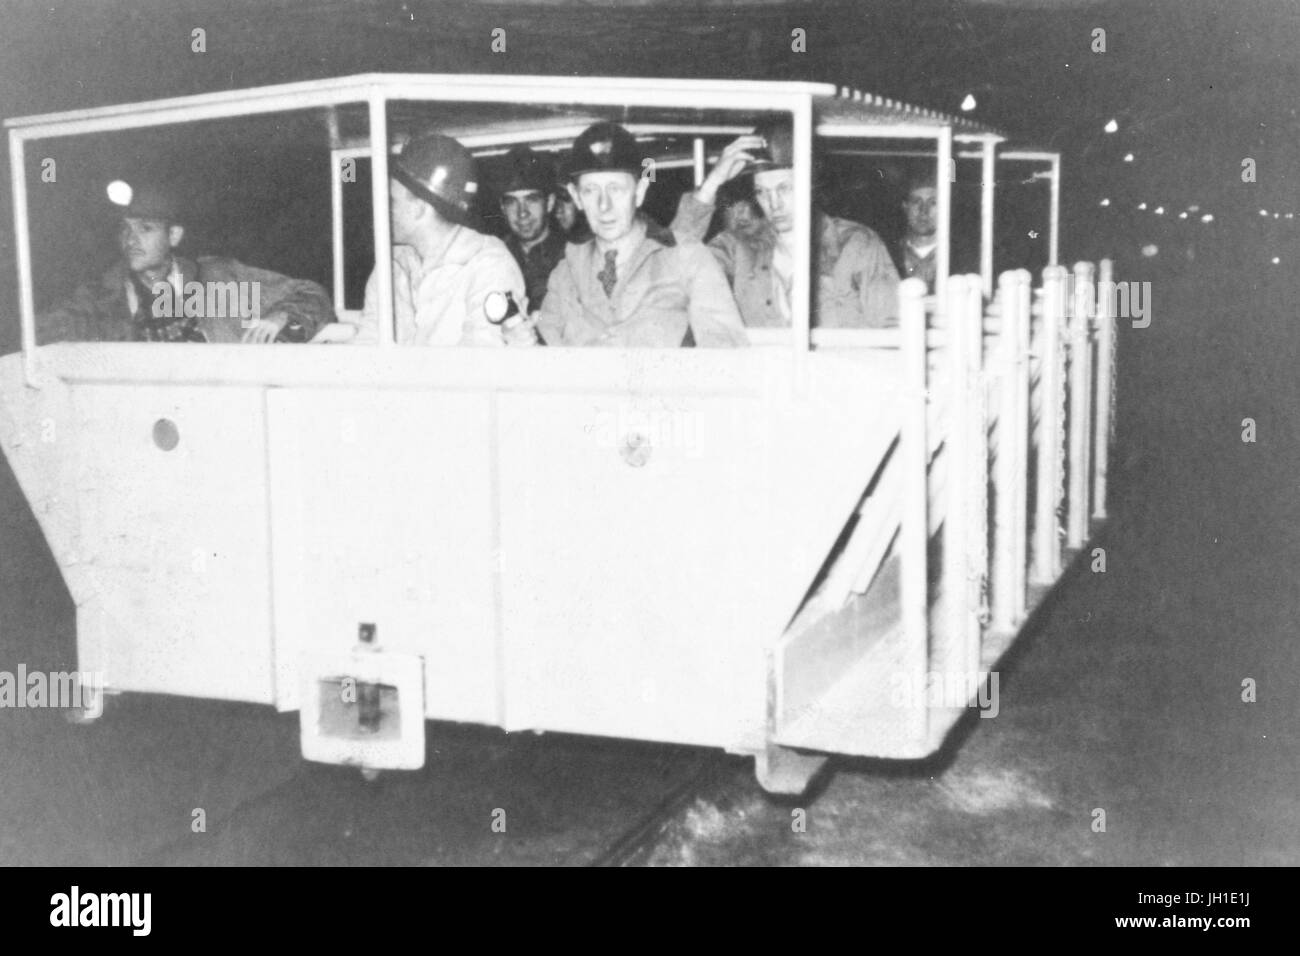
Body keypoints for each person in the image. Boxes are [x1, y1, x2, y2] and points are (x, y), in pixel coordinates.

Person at [37, 183, 334, 345]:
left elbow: (311, 294)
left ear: (174, 236)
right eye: (125, 229)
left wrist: (281, 316)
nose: (130, 239)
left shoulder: (217, 280)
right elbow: (42, 328)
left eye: (146, 228)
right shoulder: (103, 295)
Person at [536, 121, 747, 348]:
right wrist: (522, 343)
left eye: (615, 189)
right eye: (590, 190)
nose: (604, 205)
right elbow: (542, 365)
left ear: (640, 191)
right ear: (575, 196)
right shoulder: (564, 275)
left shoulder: (689, 260)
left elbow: (725, 357)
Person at [671, 121, 900, 328]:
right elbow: (668, 269)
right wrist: (713, 183)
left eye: (784, 189)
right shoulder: (736, 248)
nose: (773, 204)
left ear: (811, 185)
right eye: (761, 192)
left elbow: (892, 331)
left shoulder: (856, 244)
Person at [347, 132, 529, 346]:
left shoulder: (487, 264)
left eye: (391, 202)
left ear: (418, 208)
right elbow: (370, 339)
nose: (382, 211)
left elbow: (480, 364)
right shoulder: (391, 265)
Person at [496, 146, 567, 312]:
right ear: (502, 208)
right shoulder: (494, 255)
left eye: (532, 200)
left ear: (549, 203)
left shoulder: (573, 256)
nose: (522, 213)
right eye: (512, 202)